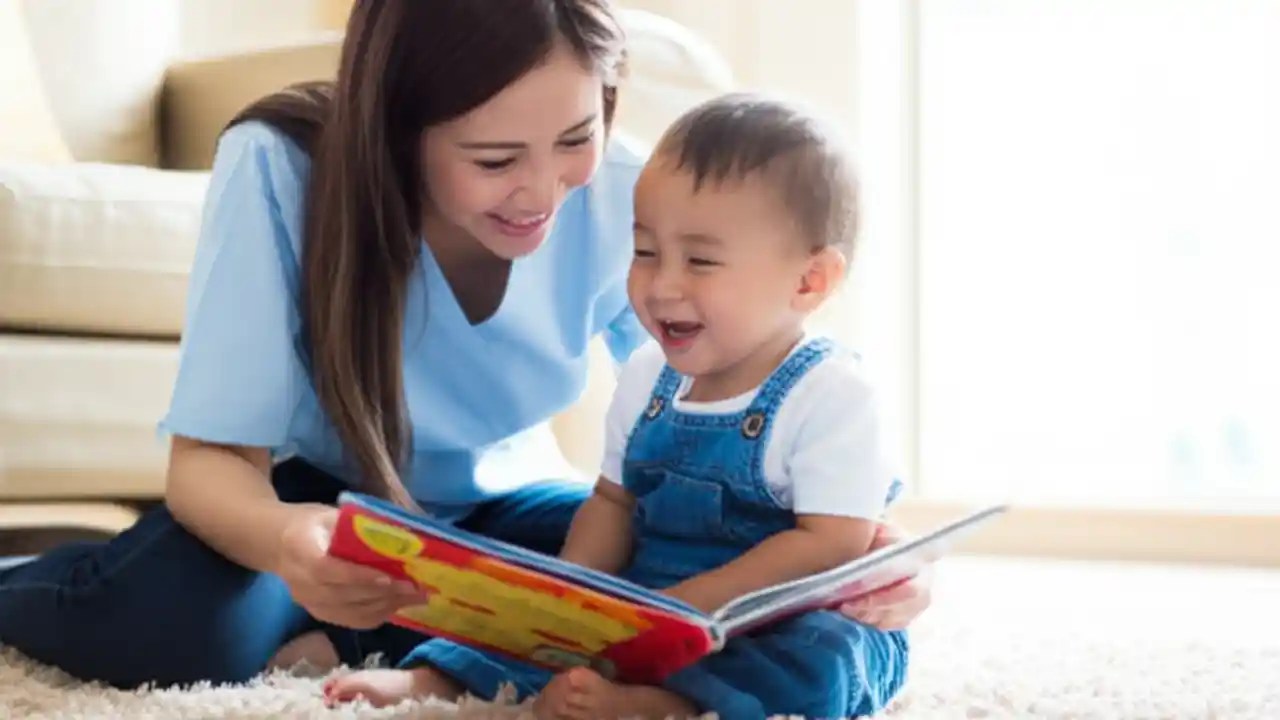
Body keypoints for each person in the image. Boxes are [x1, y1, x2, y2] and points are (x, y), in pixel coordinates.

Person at [0, 0, 932, 693]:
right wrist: (294, 545)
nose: (544, 190)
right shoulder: (282, 171)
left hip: (500, 516)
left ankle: (382, 644)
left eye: (575, 137)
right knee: (180, 632)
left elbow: (722, 389)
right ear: (397, 132)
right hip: (310, 510)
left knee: (675, 578)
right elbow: (208, 467)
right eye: (494, 160)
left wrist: (860, 543)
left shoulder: (623, 192)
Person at [324, 93, 910, 720]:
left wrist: (697, 603)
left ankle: (666, 706)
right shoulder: (647, 376)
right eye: (645, 251)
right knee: (544, 624)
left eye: (701, 261)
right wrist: (565, 602)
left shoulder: (832, 394)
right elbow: (612, 502)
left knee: (829, 657)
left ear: (809, 281)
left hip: (774, 616)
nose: (661, 285)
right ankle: (440, 678)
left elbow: (832, 542)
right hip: (653, 600)